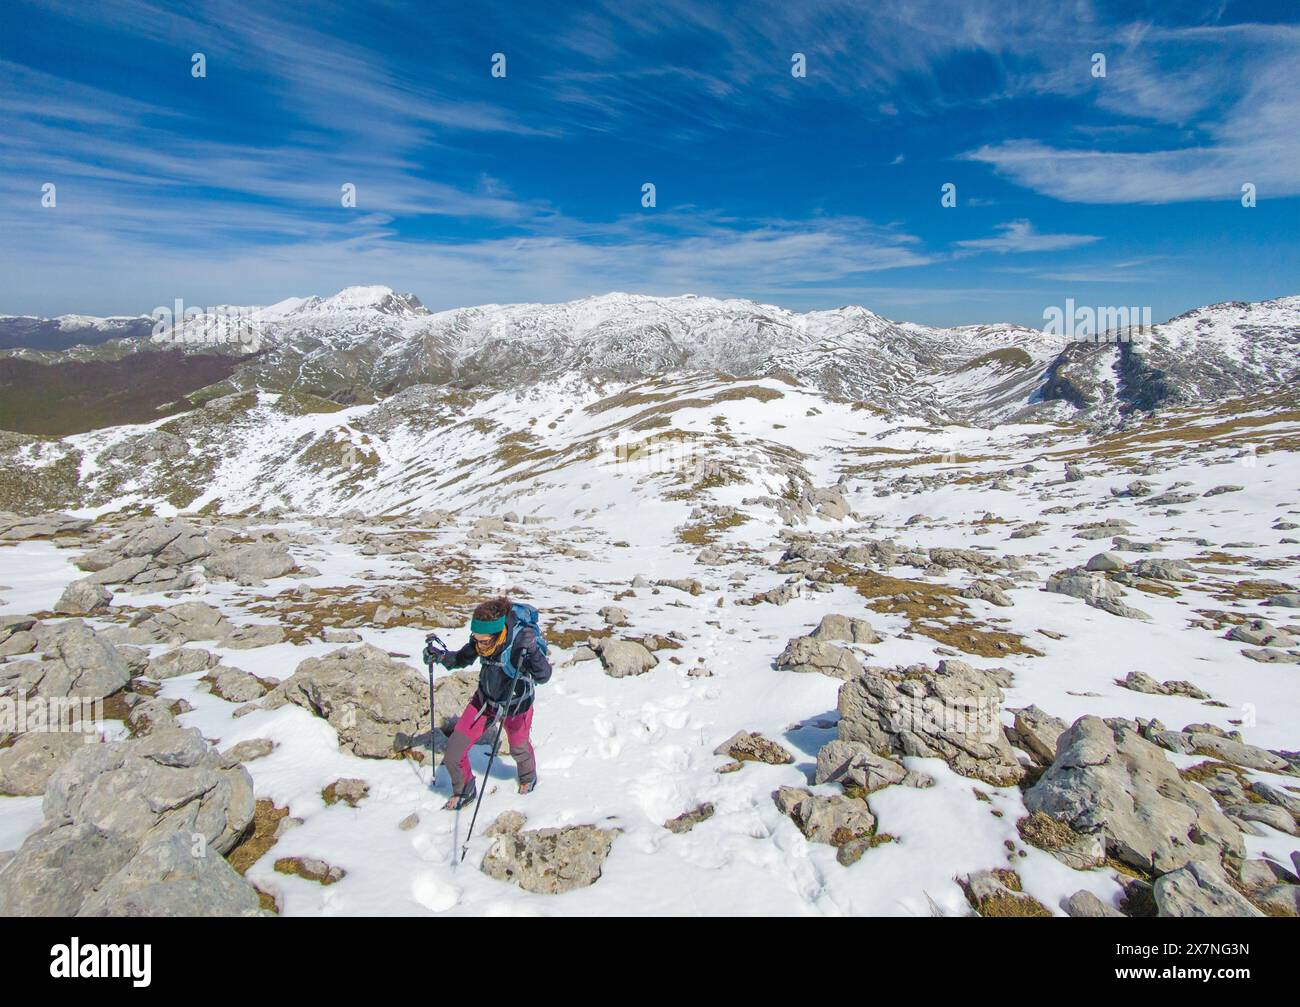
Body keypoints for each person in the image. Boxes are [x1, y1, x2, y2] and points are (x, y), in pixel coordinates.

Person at [430, 597, 551, 810]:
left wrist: (532, 651)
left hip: (517, 706)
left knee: (519, 748)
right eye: (475, 639)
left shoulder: (520, 643)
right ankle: (464, 789)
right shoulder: (482, 641)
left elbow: (544, 675)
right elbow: (461, 658)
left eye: (484, 641)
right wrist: (440, 657)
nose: (479, 645)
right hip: (485, 702)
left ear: (498, 634)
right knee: (453, 754)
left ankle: (528, 776)